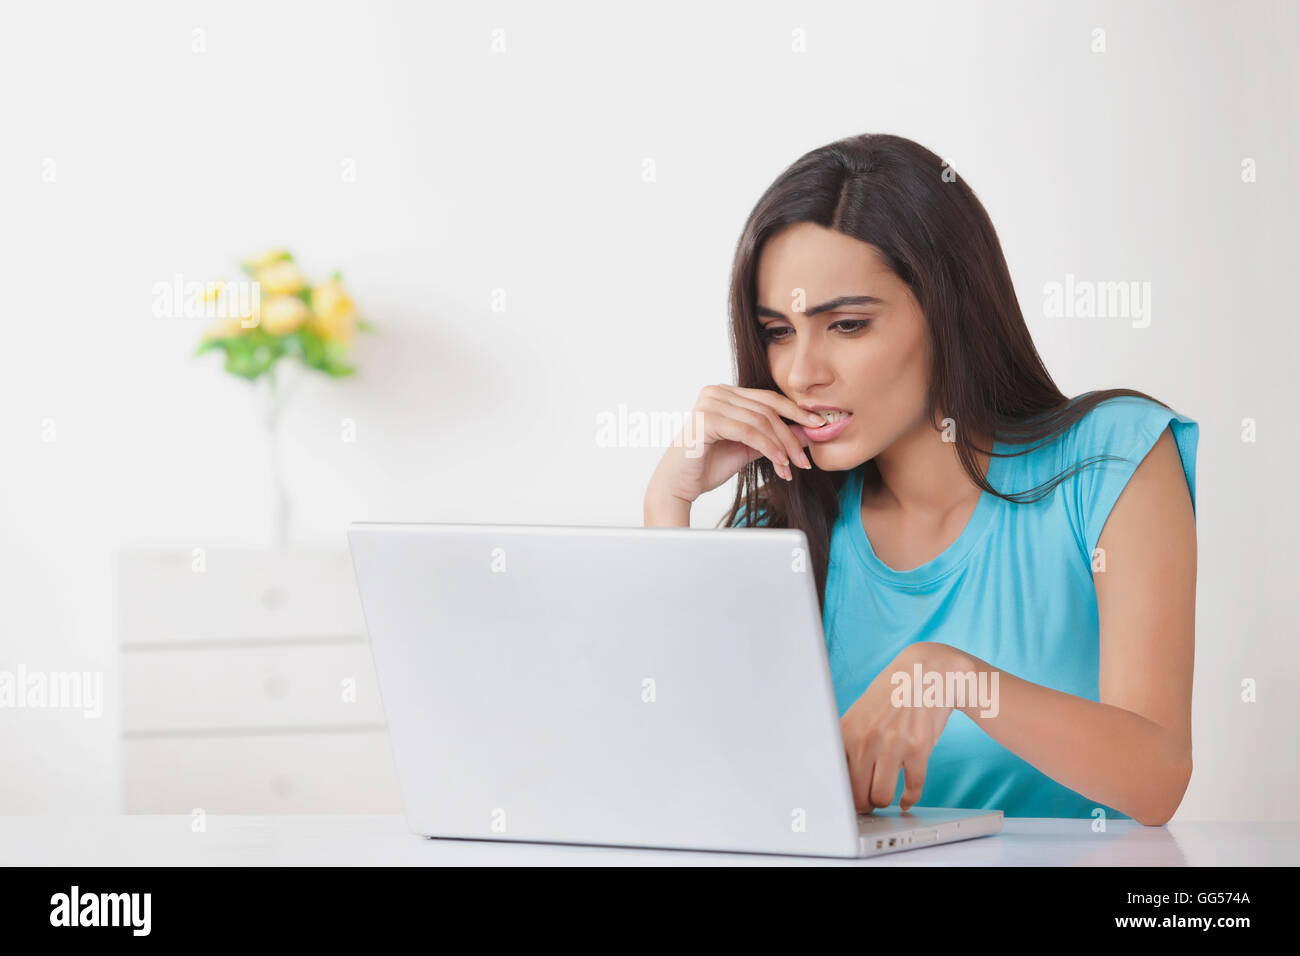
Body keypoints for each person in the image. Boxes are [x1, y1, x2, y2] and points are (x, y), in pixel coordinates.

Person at [644, 133, 1197, 825]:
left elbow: (1158, 778)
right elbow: (696, 785)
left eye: (846, 325)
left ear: (949, 312)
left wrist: (950, 675)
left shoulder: (1111, 460)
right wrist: (668, 507)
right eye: (778, 332)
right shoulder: (785, 527)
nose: (799, 373)